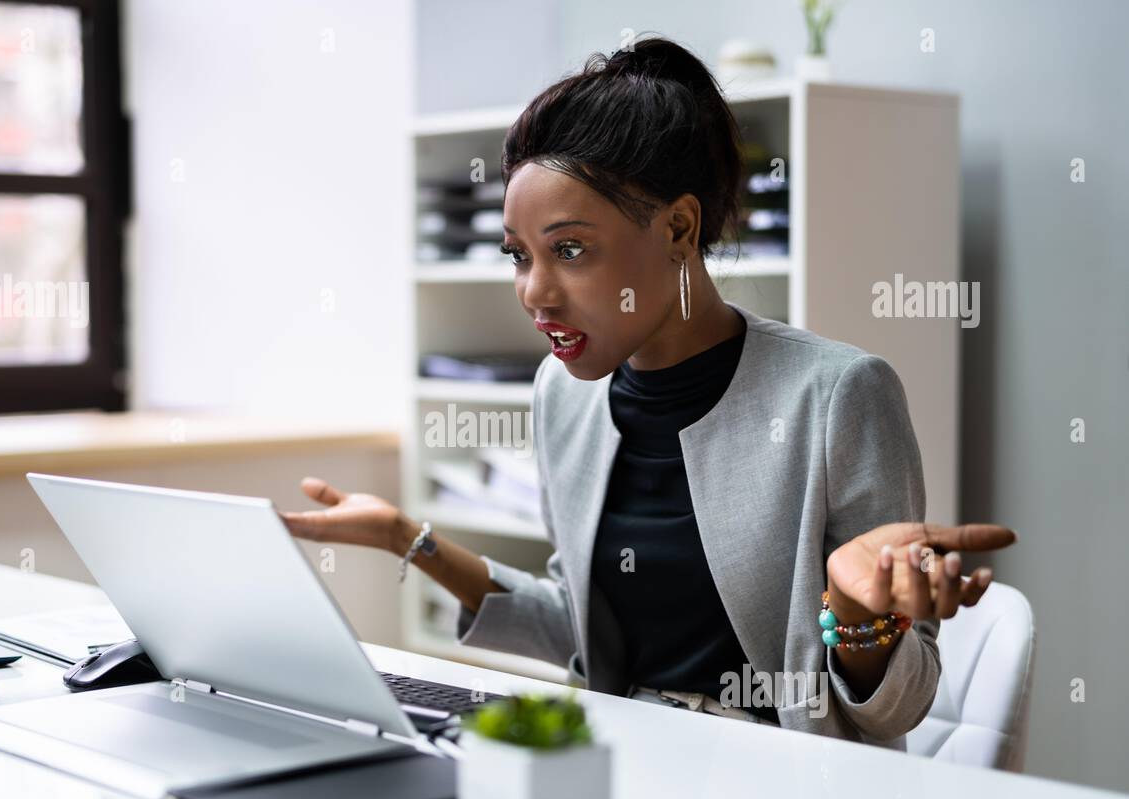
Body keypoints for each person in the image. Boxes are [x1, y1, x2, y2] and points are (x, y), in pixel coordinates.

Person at [280, 35, 1015, 750]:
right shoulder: (563, 394)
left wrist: (855, 616)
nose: (534, 292)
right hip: (623, 769)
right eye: (519, 255)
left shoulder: (838, 395)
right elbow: (582, 630)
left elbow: (899, 712)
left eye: (570, 249)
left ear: (678, 229)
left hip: (791, 792)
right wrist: (406, 539)